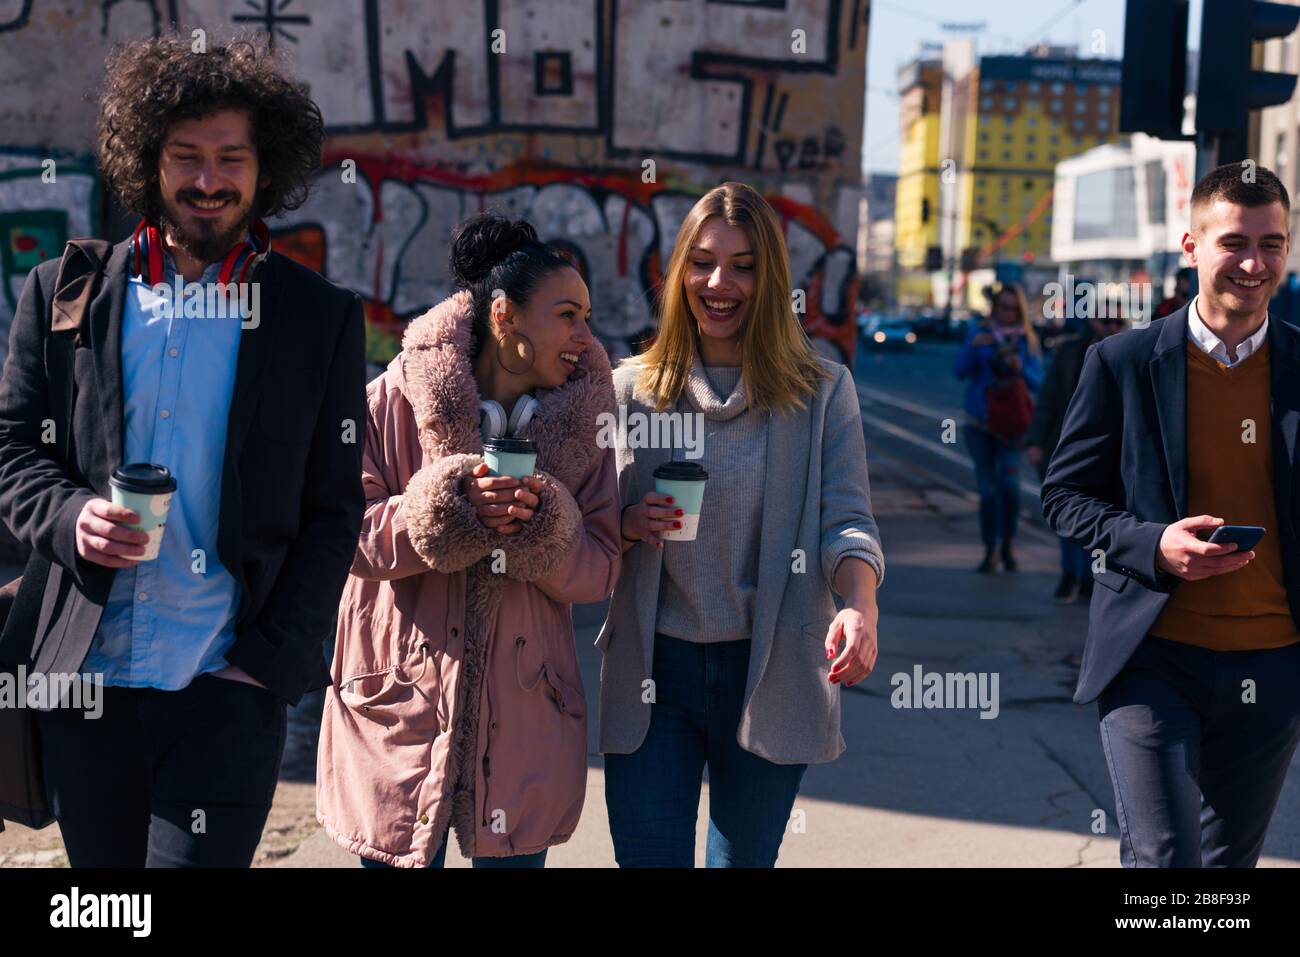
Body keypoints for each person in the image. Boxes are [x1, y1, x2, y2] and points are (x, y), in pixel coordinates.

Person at [0, 35, 365, 867]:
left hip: (224, 687)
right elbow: (12, 445)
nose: (208, 180)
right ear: (147, 162)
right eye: (186, 157)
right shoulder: (65, 293)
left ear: (263, 165)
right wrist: (69, 515)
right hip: (87, 680)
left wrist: (266, 664)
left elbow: (336, 508)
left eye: (231, 157)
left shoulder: (319, 319)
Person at [316, 213, 620, 868]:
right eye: (568, 314)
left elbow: (601, 568)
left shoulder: (587, 423)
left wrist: (545, 527)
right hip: (397, 704)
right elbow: (346, 532)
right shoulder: (391, 399)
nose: (584, 335)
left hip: (526, 717)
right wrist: (445, 509)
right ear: (506, 316)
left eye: (586, 317)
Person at [597, 182, 884, 867]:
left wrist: (860, 604)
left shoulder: (820, 390)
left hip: (771, 663)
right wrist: (628, 521)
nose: (719, 282)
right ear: (677, 275)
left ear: (772, 278)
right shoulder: (630, 389)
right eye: (702, 261)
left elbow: (846, 519)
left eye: (744, 265)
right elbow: (584, 522)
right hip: (653, 671)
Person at [1042, 163, 1300, 867]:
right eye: (1234, 243)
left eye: (1272, 243)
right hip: (1153, 657)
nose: (1254, 262)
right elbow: (1063, 495)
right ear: (1191, 246)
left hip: (1273, 664)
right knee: (1165, 859)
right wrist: (1153, 543)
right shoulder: (1123, 362)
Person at [1026, 308, 1127, 603]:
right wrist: (1036, 441)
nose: (1113, 328)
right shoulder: (1071, 352)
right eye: (1107, 321)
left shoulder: (1133, 351)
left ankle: (1087, 579)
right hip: (1068, 447)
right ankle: (1071, 574)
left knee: (1102, 518)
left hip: (1115, 452)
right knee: (1070, 516)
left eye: (1119, 322)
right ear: (1094, 321)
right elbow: (1049, 399)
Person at [954, 283, 1044, 573]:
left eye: (1012, 309)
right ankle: (990, 549)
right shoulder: (980, 333)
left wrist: (1020, 367)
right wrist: (973, 348)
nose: (1007, 314)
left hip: (1013, 426)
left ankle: (1008, 543)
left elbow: (1039, 382)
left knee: (1009, 486)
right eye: (1002, 307)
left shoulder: (1027, 340)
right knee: (987, 490)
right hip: (979, 424)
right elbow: (960, 371)